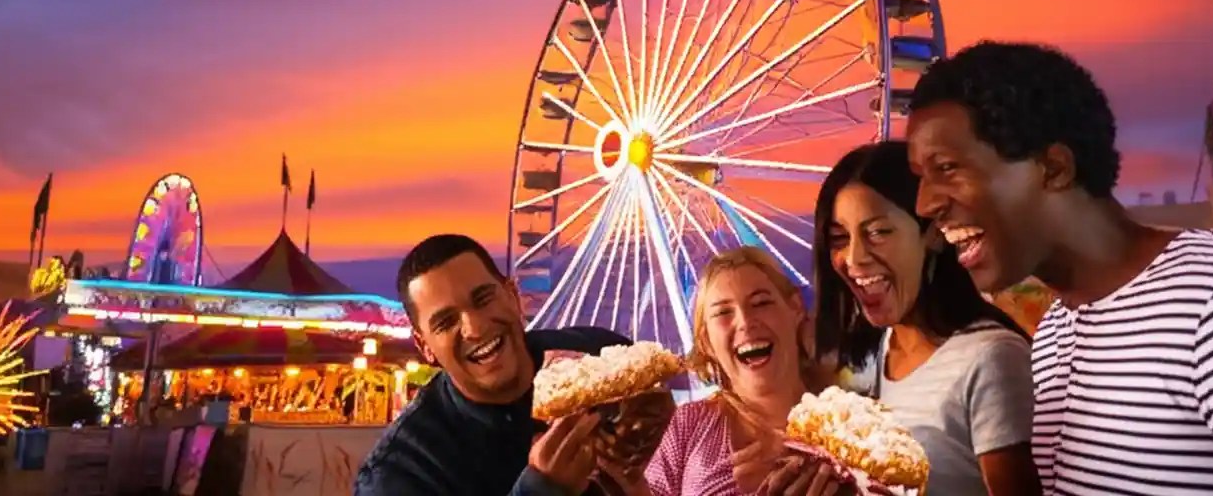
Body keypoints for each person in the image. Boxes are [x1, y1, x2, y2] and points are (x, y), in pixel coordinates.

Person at [906, 41, 1213, 495]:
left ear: (1054, 168)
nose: (925, 205)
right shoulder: (1059, 327)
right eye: (922, 177)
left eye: (947, 168)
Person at [812, 141, 1040, 495]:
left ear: (933, 232)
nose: (854, 258)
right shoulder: (886, 346)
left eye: (877, 232)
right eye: (839, 238)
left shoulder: (990, 358)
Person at [355, 234, 632, 496]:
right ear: (425, 346)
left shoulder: (603, 357)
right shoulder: (401, 472)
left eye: (483, 299)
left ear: (513, 296)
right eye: (446, 322)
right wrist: (541, 489)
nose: (475, 328)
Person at [631, 246, 849, 496]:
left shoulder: (853, 433)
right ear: (706, 342)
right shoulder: (687, 427)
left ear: (795, 309)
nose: (745, 321)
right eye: (723, 312)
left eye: (761, 303)